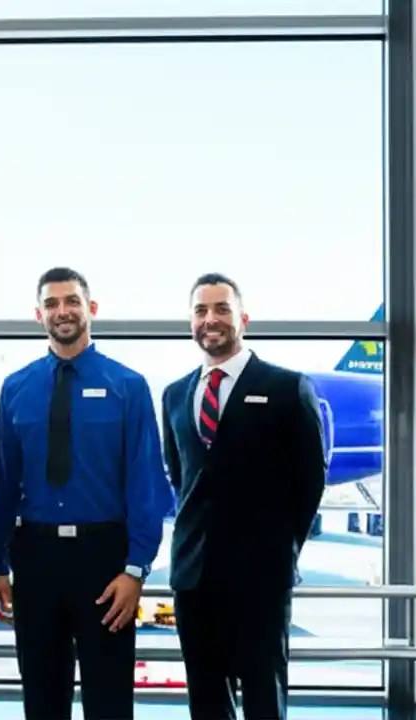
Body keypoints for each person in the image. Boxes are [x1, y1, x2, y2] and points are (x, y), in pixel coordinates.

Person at [0, 267, 171, 720]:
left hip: (104, 559)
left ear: (91, 309)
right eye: (51, 304)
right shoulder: (17, 388)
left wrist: (136, 569)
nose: (62, 311)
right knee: (42, 698)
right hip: (36, 556)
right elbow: (4, 481)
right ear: (38, 314)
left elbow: (145, 483)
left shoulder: (128, 386)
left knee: (108, 699)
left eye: (71, 301)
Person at [161, 273, 327, 720]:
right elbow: (183, 477)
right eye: (200, 311)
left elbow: (310, 483)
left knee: (262, 698)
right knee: (207, 700)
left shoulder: (288, 388)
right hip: (194, 578)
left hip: (262, 577)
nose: (210, 319)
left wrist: (278, 547)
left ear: (244, 319)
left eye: (221, 309)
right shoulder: (175, 395)